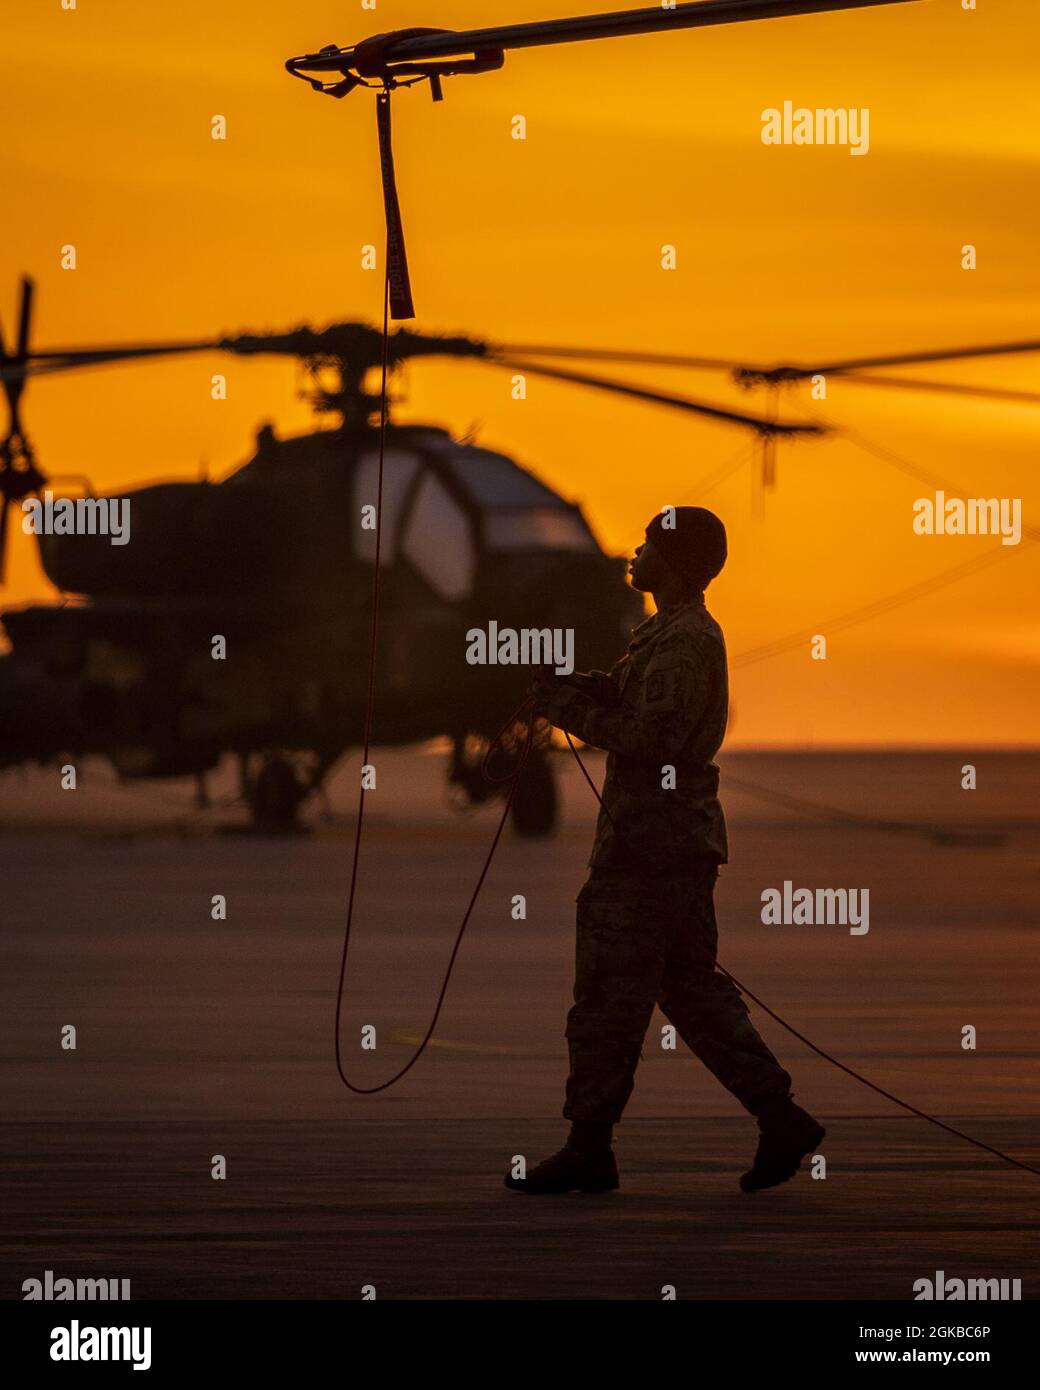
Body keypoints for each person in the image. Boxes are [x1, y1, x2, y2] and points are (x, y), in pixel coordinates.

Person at [505, 506, 824, 1195]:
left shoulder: (684, 645)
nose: (635, 553)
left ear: (673, 566)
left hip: (648, 851)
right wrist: (578, 685)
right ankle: (780, 1116)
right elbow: (634, 702)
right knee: (690, 991)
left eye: (649, 545)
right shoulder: (666, 636)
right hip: (667, 846)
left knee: (606, 1001)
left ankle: (589, 1147)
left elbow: (656, 739)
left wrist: (568, 714)